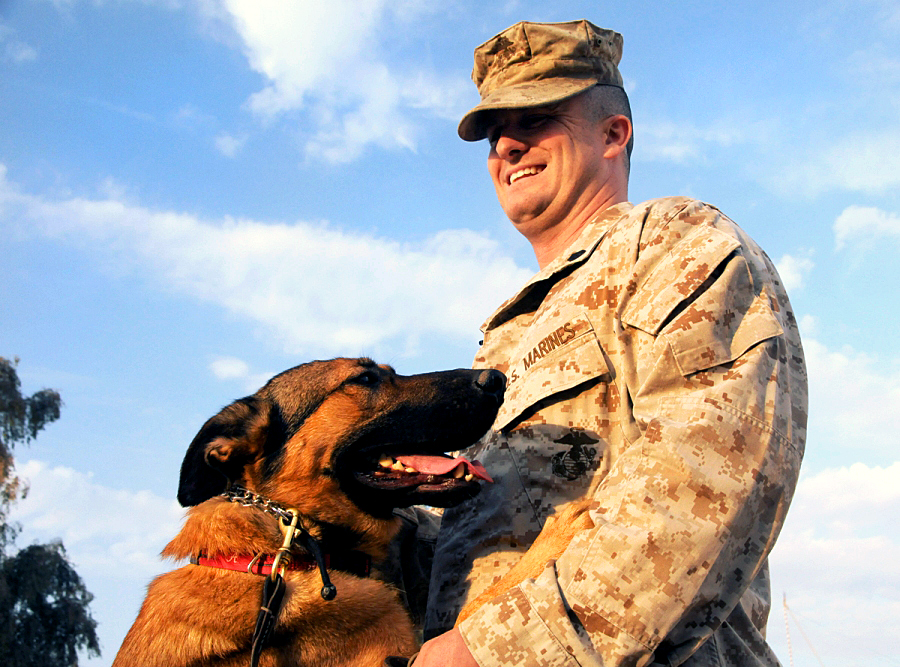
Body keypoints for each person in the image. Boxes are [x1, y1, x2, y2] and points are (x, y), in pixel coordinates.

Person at [410, 19, 808, 666]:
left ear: (613, 133)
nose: (508, 144)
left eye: (536, 116)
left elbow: (698, 487)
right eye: (493, 132)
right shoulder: (505, 335)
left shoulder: (675, 244)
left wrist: (494, 651)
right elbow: (474, 547)